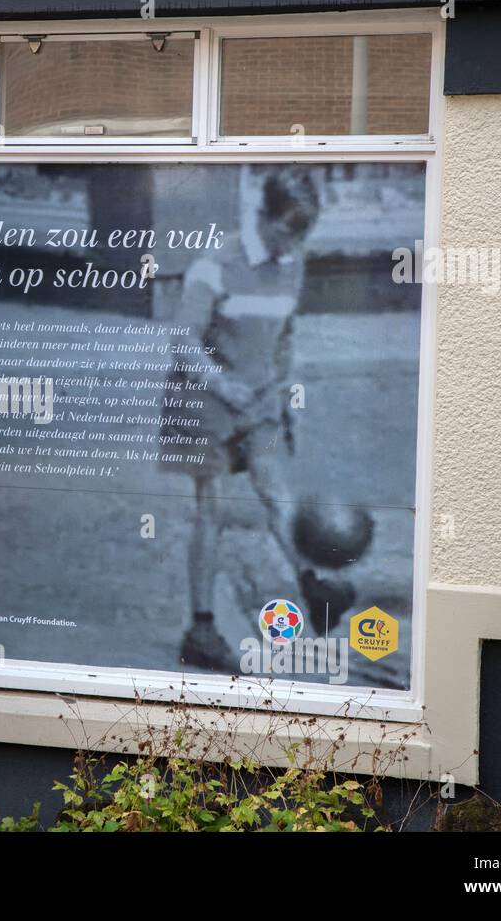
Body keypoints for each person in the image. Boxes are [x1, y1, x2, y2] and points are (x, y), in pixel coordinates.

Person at [159, 166, 321, 671]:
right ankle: (202, 629)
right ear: (263, 216)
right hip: (204, 402)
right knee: (213, 510)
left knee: (275, 489)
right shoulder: (215, 264)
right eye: (286, 229)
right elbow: (182, 341)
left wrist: (279, 382)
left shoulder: (292, 261)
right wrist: (220, 383)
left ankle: (316, 589)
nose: (292, 242)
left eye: (302, 231)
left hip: (258, 402)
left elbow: (285, 331)